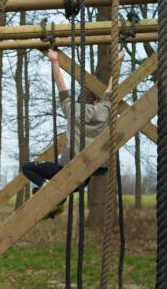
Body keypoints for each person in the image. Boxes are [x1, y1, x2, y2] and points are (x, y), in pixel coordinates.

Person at [21, 48, 123, 217]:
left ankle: (46, 188)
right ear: (96, 101)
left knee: (28, 168)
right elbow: (112, 88)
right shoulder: (105, 110)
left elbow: (60, 84)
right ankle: (55, 198)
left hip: (66, 170)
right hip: (84, 179)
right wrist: (118, 61)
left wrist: (54, 60)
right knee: (53, 188)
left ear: (79, 100)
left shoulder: (72, 109)